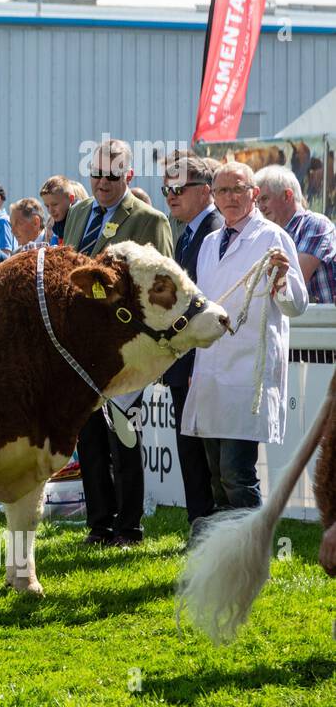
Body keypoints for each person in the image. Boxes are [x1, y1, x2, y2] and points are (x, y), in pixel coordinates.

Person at [63, 137, 173, 546]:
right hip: (83, 348)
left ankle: (129, 527)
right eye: (96, 174)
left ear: (128, 174)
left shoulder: (149, 219)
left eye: (111, 175)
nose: (102, 182)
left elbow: (160, 287)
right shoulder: (77, 212)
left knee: (124, 437)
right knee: (89, 438)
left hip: (125, 348)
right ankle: (99, 525)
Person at [184, 161, 306, 520]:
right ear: (213, 197)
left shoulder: (273, 238)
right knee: (218, 478)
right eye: (223, 190)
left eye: (239, 189)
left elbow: (296, 305)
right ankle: (225, 555)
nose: (231, 197)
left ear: (254, 194)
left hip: (246, 373)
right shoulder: (208, 243)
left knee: (238, 474)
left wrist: (282, 279)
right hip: (210, 371)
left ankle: (250, 554)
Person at [159, 153, 222, 528]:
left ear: (205, 191)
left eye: (178, 188)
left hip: (204, 361)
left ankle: (211, 522)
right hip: (185, 360)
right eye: (167, 188)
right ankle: (199, 521)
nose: (171, 195)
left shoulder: (214, 229)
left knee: (207, 450)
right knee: (189, 446)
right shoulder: (188, 231)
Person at [255, 164, 336, 304]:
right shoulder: (269, 233)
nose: (260, 207)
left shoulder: (315, 224)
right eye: (257, 202)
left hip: (321, 323)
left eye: (265, 199)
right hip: (300, 322)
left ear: (287, 196)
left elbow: (295, 280)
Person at [39, 175, 81, 245]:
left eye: (55, 204)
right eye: (47, 206)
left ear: (71, 199)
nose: (50, 211)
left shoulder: (82, 220)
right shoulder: (57, 226)